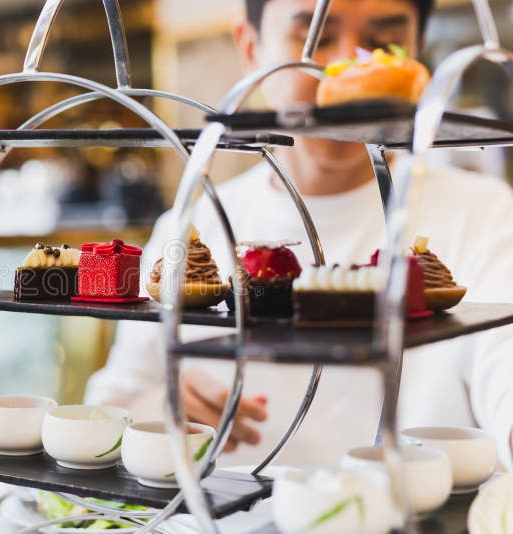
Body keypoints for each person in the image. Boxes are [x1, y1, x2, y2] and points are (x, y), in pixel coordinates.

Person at [84, 0, 513, 469]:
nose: (344, 67)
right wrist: (157, 408)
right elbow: (109, 405)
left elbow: (505, 369)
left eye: (383, 44)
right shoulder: (198, 224)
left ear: (418, 54)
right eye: (315, 40)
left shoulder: (486, 213)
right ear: (252, 47)